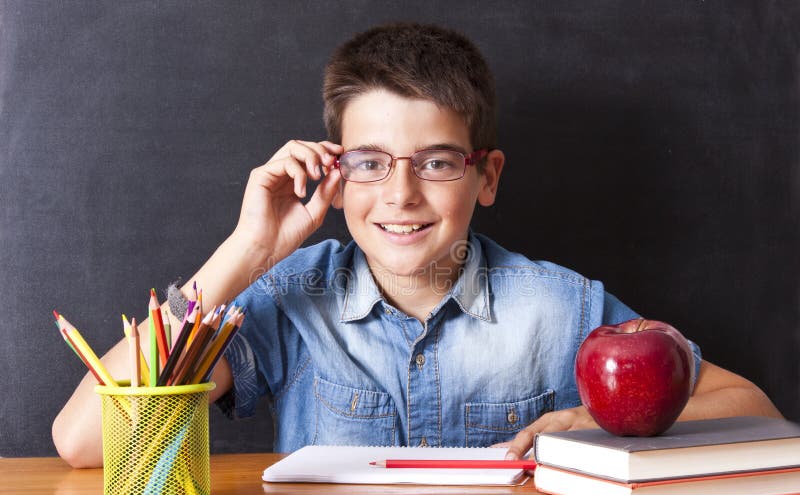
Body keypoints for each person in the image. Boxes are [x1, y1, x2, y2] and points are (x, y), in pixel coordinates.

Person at [52, 22, 782, 468]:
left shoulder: (560, 306)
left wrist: (587, 418)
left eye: (435, 162)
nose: (400, 194)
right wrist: (248, 251)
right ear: (335, 172)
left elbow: (751, 409)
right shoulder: (290, 295)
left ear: (485, 176)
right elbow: (87, 441)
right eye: (370, 162)